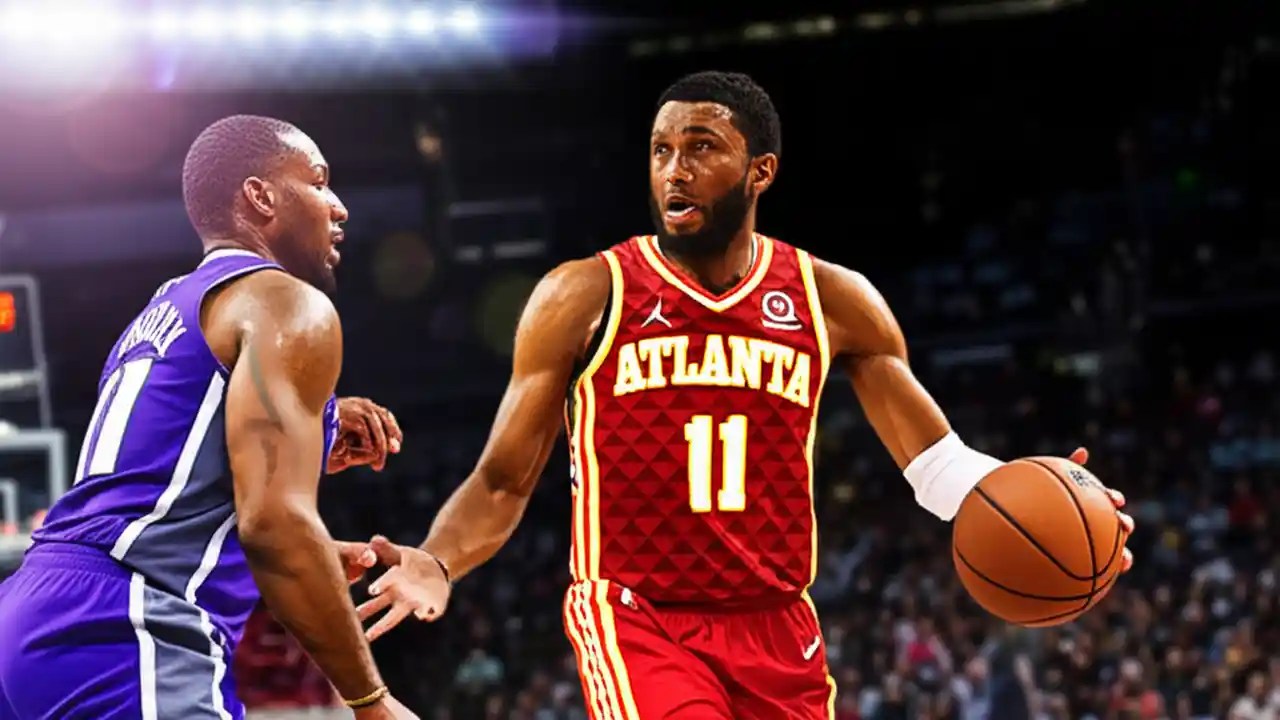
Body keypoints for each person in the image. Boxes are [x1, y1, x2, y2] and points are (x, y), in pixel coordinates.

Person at [356, 72, 1136, 718]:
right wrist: (438, 558)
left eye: (701, 148)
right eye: (661, 150)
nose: (674, 168)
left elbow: (936, 466)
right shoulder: (586, 293)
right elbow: (502, 479)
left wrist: (1043, 496)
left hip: (777, 625)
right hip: (637, 613)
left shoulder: (832, 298)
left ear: (760, 170)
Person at [0, 115, 416, 720]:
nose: (339, 206)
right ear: (260, 196)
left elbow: (162, 479)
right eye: (320, 182)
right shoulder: (288, 301)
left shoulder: (165, 308)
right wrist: (371, 702)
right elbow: (274, 523)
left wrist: (318, 427)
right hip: (128, 624)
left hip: (31, 615)